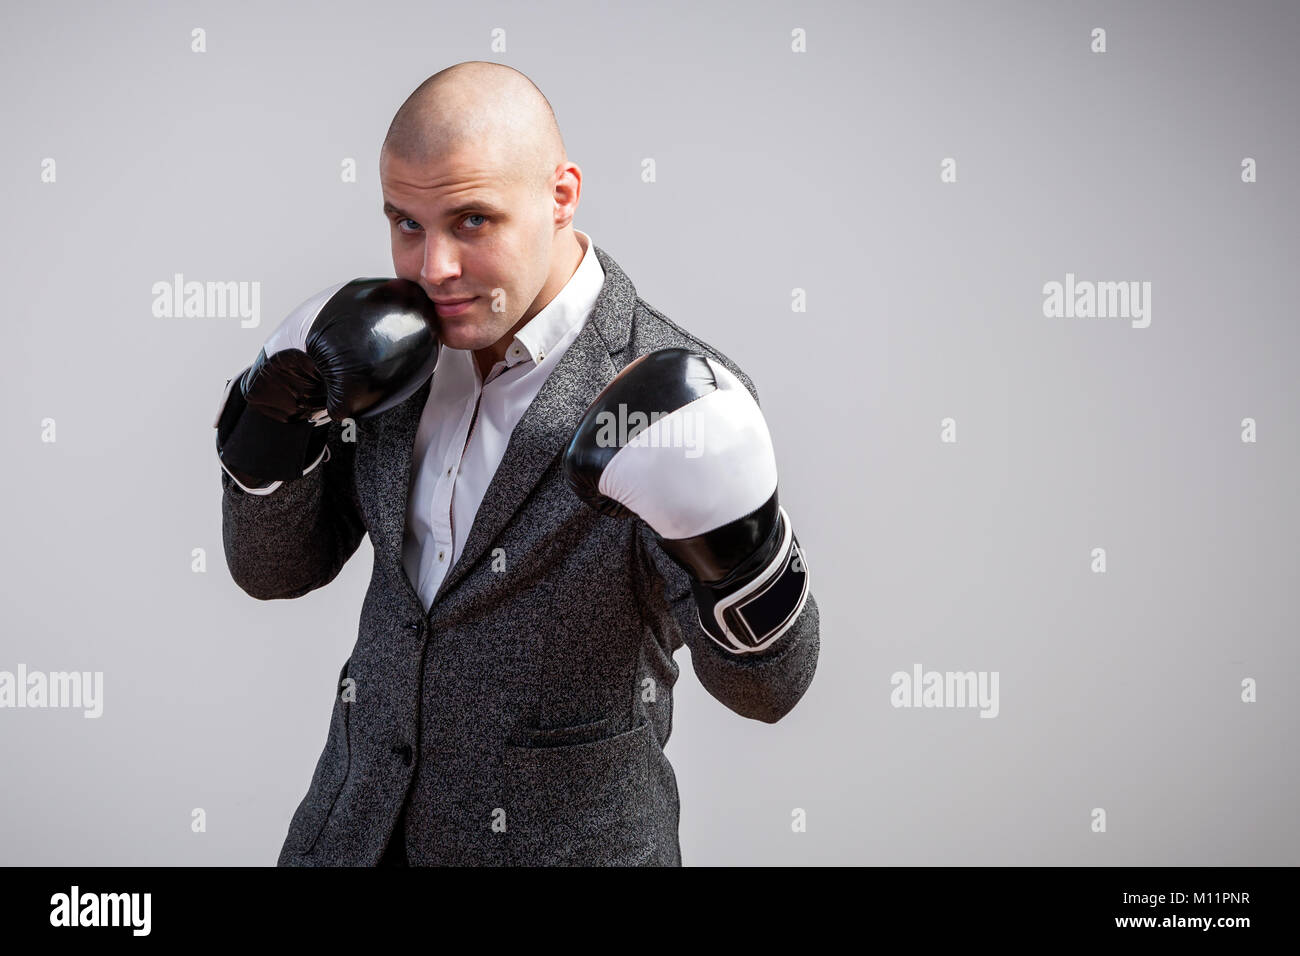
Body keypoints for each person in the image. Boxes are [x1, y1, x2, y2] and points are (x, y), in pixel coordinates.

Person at [216, 61, 820, 866]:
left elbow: (769, 690)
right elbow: (274, 570)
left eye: (472, 221)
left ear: (562, 194)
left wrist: (748, 552)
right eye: (405, 223)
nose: (432, 269)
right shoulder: (386, 354)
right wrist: (268, 424)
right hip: (349, 838)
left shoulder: (673, 400)